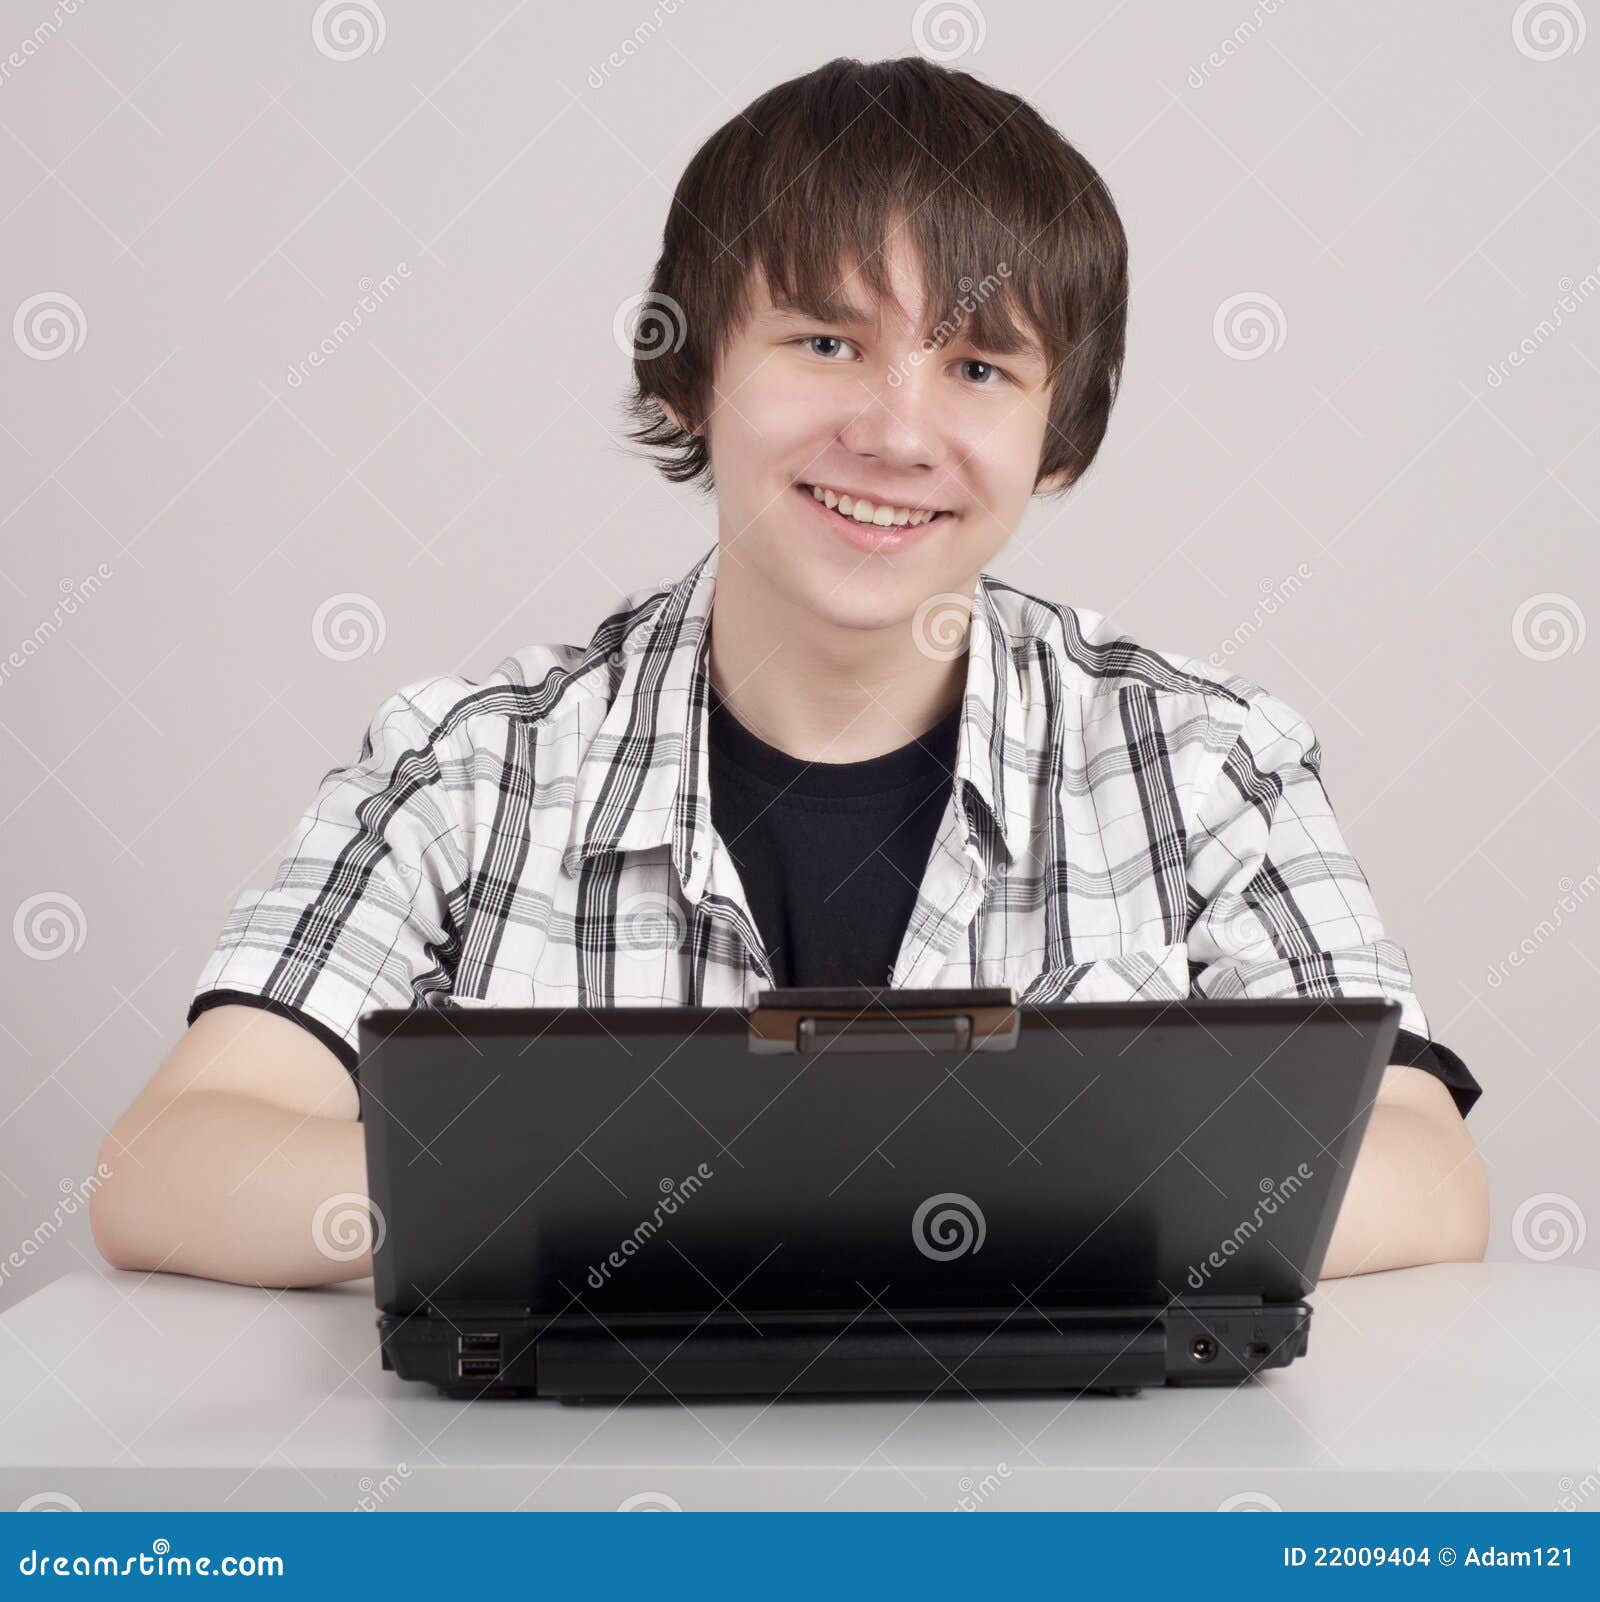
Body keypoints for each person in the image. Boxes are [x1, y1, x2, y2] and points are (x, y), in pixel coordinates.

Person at [91, 55, 1486, 1291]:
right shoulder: (473, 765)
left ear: (1059, 433)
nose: (896, 431)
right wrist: (661, 1221)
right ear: (693, 376)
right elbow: (169, 1163)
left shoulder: (1203, 759)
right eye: (827, 342)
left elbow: (1424, 1166)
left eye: (981, 368)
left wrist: (911, 1222)